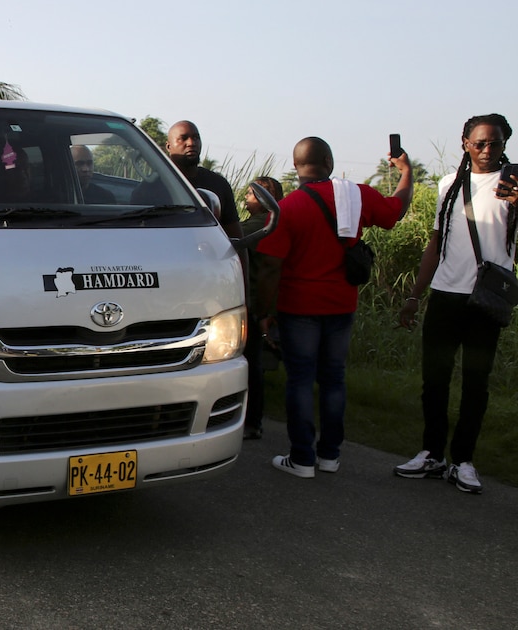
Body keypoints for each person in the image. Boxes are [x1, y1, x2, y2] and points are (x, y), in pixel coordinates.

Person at [257, 137, 412, 478]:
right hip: (342, 305)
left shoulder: (289, 208)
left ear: (296, 166)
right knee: (333, 379)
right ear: (328, 160)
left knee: (299, 380)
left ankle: (301, 459)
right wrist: (406, 173)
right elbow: (395, 211)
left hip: (298, 308)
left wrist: (264, 312)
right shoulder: (356, 195)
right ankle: (329, 456)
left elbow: (270, 265)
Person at [394, 114, 518, 494]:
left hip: (487, 299)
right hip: (446, 295)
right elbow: (436, 244)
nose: (486, 150)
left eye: (494, 143)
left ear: (503, 144)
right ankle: (432, 453)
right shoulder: (450, 184)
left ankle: (463, 460)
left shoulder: (514, 182)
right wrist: (415, 295)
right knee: (435, 379)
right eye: (478, 142)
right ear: (464, 142)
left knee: (476, 383)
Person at [241, 176, 283, 440]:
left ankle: (250, 420)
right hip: (266, 305)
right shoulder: (274, 225)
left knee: (249, 364)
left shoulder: (252, 229)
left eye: (250, 194)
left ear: (262, 198)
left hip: (253, 305)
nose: (246, 198)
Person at [164, 121, 242, 241]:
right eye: (183, 138)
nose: (191, 143)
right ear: (169, 146)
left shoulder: (218, 183)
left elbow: (235, 236)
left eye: (196, 138)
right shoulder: (151, 188)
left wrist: (241, 259)